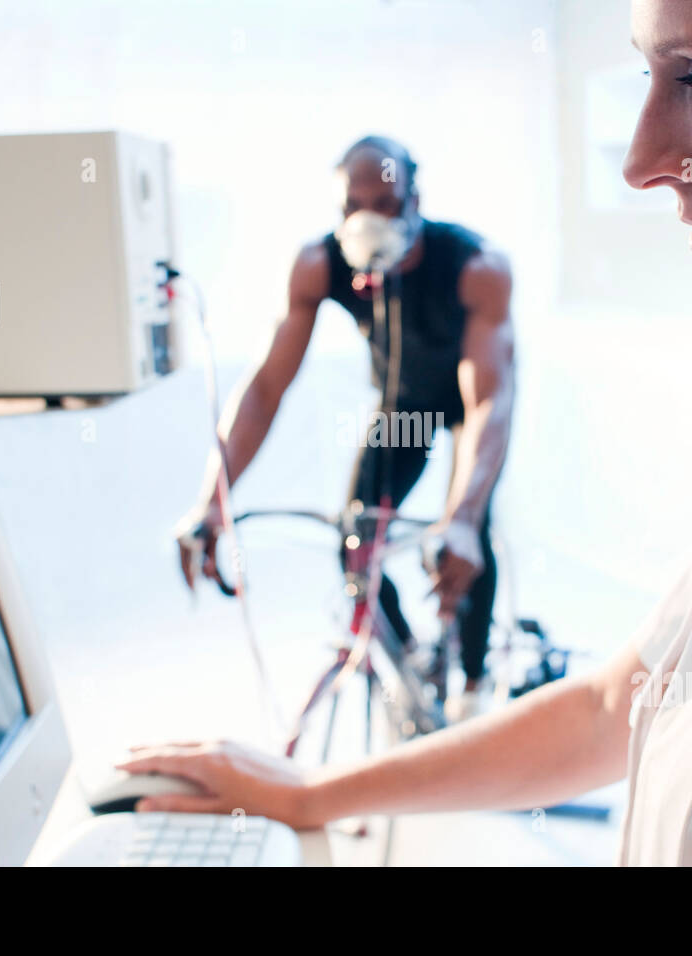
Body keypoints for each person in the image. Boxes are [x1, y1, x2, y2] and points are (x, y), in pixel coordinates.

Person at [136, 0, 692, 864]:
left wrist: (462, 515)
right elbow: (619, 703)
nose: (641, 160)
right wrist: (316, 793)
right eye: (648, 76)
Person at [175, 136, 515, 721]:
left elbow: (488, 398)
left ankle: (475, 683)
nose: (368, 221)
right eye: (353, 207)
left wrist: (460, 517)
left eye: (385, 204)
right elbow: (264, 389)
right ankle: (406, 658)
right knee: (358, 539)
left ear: (415, 200)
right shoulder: (319, 264)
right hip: (405, 408)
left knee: (466, 539)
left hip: (469, 402)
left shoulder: (474, 267)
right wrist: (212, 501)